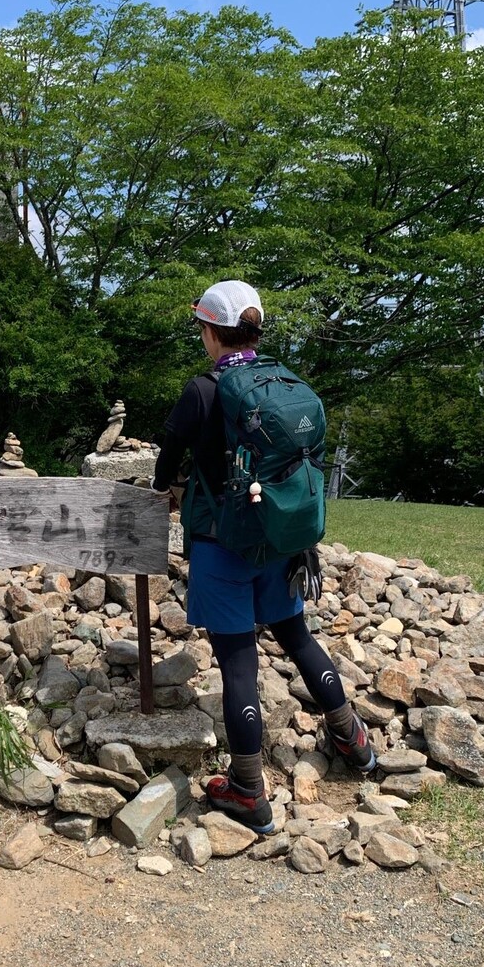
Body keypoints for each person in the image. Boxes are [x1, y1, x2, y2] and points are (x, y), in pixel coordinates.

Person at [152, 279, 376, 834]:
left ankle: (249, 790)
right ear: (254, 329)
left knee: (237, 662)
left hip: (221, 542)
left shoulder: (203, 390)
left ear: (211, 330)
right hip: (282, 540)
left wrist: (169, 488)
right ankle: (353, 741)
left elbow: (168, 462)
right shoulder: (283, 381)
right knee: (297, 637)